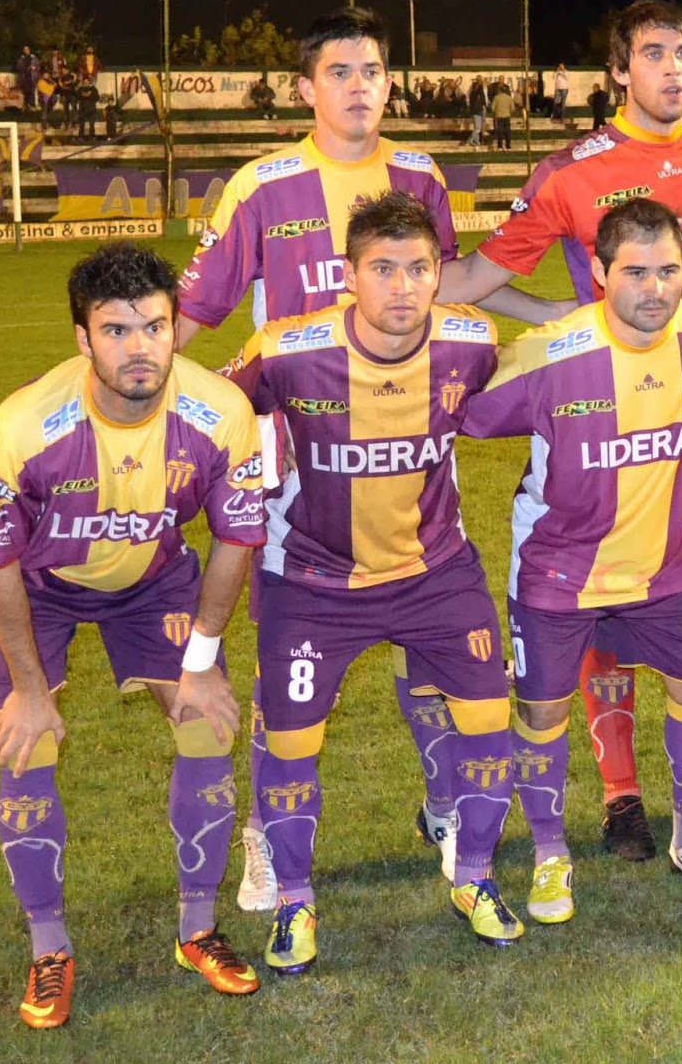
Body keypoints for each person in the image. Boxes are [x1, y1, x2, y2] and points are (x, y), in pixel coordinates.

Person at [176, 6, 552, 916]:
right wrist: (137, 397)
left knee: (429, 648)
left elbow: (448, 284)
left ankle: (445, 807)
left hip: (412, 442)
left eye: (373, 70)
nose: (358, 86)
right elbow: (197, 314)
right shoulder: (261, 185)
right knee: (288, 670)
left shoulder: (418, 175)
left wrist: (565, 323)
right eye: (339, 71)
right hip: (302, 465)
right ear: (307, 88)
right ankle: (270, 844)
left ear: (390, 83)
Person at [435, 0, 682, 862]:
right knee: (604, 598)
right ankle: (620, 795)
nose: (675, 68)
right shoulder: (571, 171)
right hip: (608, 418)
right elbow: (477, 277)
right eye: (654, 54)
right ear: (618, 70)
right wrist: (564, 322)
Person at [0, 243, 267, 1028]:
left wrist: (201, 664)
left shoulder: (219, 412)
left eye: (155, 326)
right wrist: (30, 691)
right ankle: (50, 947)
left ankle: (197, 929)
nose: (140, 347)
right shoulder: (23, 425)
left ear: (176, 327)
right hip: (36, 591)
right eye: (116, 329)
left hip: (154, 581)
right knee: (25, 742)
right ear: (82, 338)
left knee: (207, 722)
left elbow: (236, 539)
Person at [223, 191, 524, 963]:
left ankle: (476, 876)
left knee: (491, 718)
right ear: (347, 275)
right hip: (314, 582)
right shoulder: (288, 350)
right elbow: (212, 408)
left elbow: (530, 390)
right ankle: (295, 900)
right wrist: (254, 443)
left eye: (419, 269)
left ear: (437, 276)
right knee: (291, 738)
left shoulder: (469, 340)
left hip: (435, 571)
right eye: (382, 269)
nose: (401, 286)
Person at [462, 199, 682, 919]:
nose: (654, 289)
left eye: (668, 271)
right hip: (559, 574)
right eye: (635, 272)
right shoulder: (549, 352)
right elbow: (464, 409)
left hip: (665, 566)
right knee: (540, 713)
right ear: (598, 272)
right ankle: (550, 854)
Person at [14, 45, 39, 115]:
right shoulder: (21, 58)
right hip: (24, 77)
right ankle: (25, 105)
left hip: (32, 77)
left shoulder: (33, 58)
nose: (26, 50)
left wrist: (33, 68)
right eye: (24, 49)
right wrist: (24, 68)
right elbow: (18, 67)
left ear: (29, 50)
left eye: (27, 49)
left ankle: (31, 105)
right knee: (25, 92)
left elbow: (38, 66)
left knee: (32, 91)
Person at [491, 80, 514, 150]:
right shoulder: (509, 98)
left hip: (499, 116)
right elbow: (512, 108)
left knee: (500, 131)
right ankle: (508, 145)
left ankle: (500, 146)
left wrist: (495, 112)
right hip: (507, 115)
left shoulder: (496, 98)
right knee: (507, 131)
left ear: (499, 91)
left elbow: (492, 108)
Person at [468, 74, 488, 147]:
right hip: (477, 111)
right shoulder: (475, 92)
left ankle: (477, 141)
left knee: (478, 127)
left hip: (479, 110)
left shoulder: (479, 92)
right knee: (477, 128)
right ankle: (471, 140)